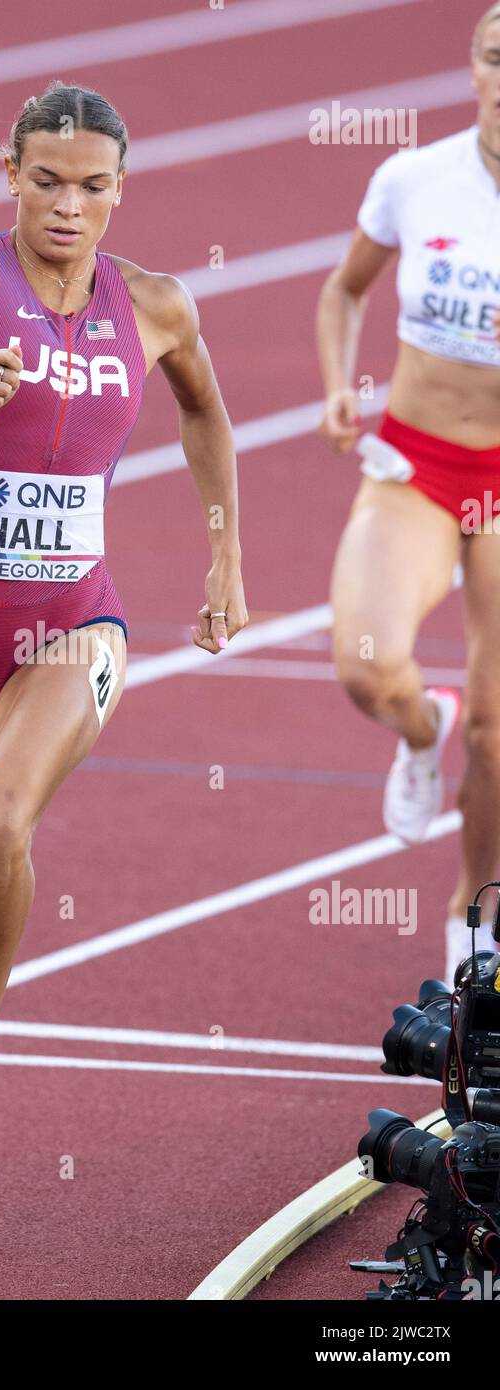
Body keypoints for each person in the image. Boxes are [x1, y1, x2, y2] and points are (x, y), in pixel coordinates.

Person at [0, 81, 247, 1215]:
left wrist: (226, 558)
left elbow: (208, 413)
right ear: (8, 172)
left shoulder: (156, 305)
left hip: (73, 627)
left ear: (124, 188)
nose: (69, 206)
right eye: (48, 181)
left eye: (94, 186)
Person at [316, 3, 500, 985]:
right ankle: (418, 726)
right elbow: (343, 289)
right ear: (473, 67)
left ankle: (475, 926)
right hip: (419, 464)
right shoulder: (415, 178)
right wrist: (340, 383)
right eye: (497, 58)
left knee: (499, 725)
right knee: (365, 666)